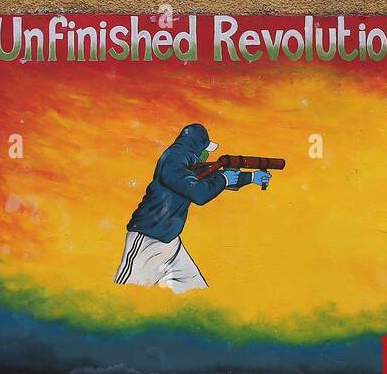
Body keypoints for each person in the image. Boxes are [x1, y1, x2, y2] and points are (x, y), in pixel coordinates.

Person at [114, 123, 270, 292]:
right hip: (149, 238)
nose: (206, 154)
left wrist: (252, 177)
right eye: (205, 149)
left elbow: (212, 177)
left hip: (170, 240)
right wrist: (224, 179)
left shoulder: (186, 162)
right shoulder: (173, 160)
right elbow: (198, 193)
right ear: (196, 146)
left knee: (196, 291)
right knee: (127, 294)